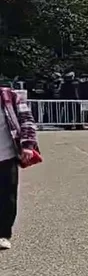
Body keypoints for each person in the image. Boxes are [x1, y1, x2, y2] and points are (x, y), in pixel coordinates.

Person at [0, 84, 39, 250]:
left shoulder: (9, 96)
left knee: (7, 196)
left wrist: (28, 145)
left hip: (6, 154)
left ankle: (3, 234)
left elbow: (27, 121)